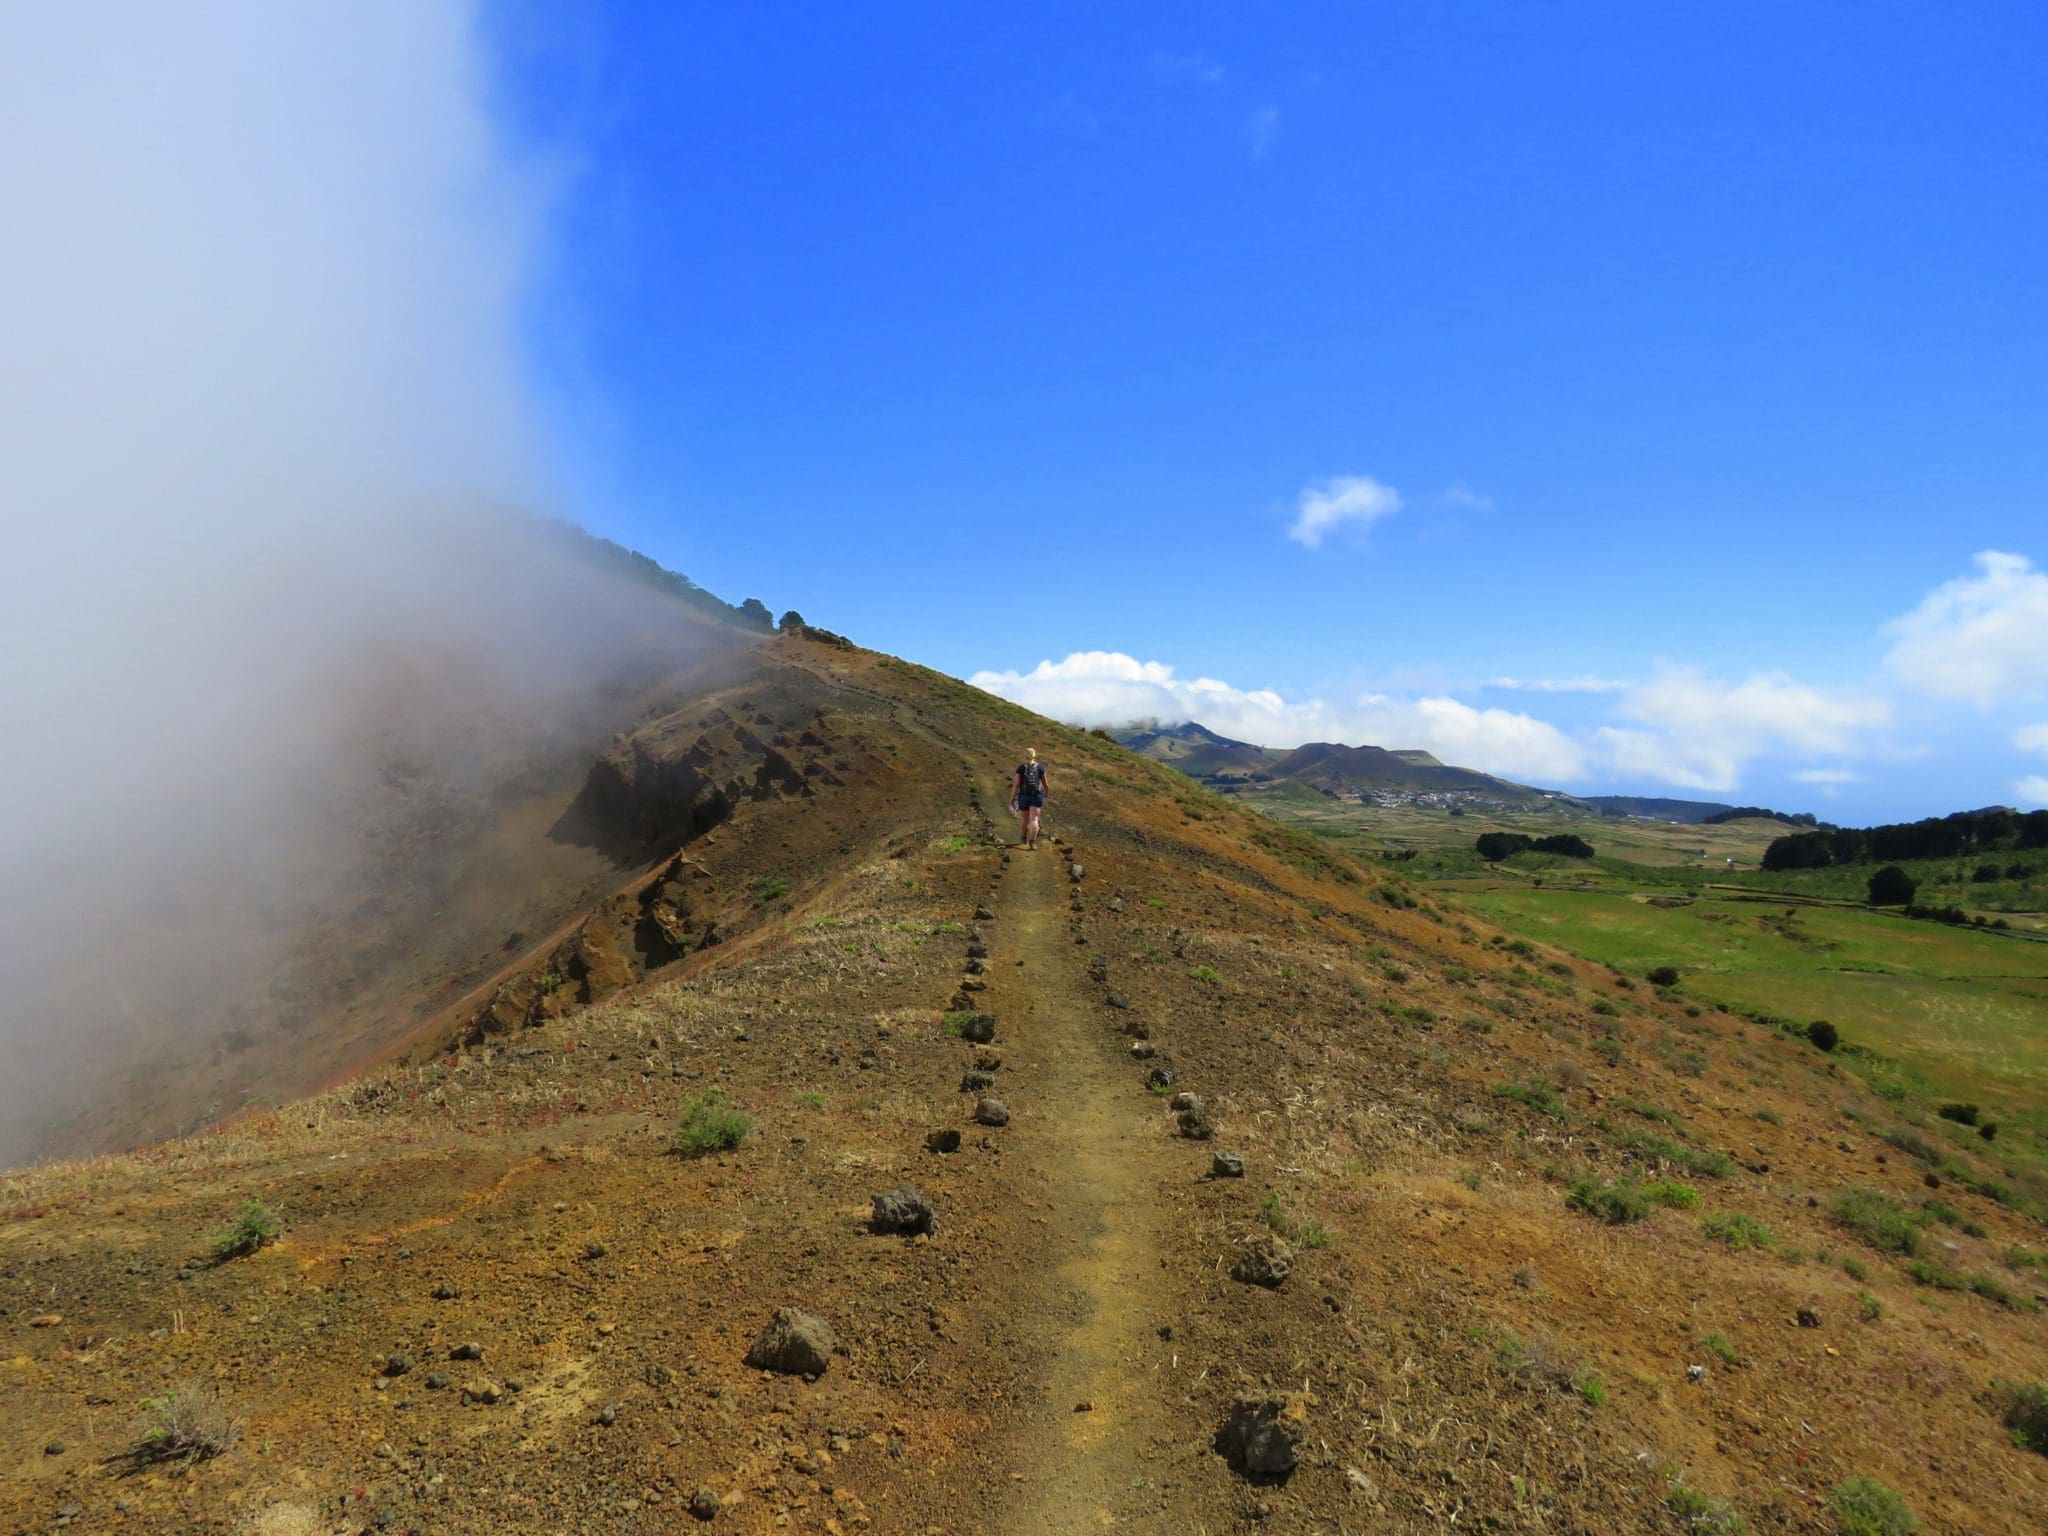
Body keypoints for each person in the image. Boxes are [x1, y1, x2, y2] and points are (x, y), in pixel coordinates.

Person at [1010, 748, 1049, 850]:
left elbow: (1016, 785)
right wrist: (1046, 793)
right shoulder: (1040, 768)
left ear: (1025, 756)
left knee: (1024, 819)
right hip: (1037, 796)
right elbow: (1046, 784)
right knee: (1034, 819)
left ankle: (1023, 837)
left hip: (1023, 796)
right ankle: (1032, 842)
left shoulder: (1021, 768)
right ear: (1034, 755)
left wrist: (1012, 798)